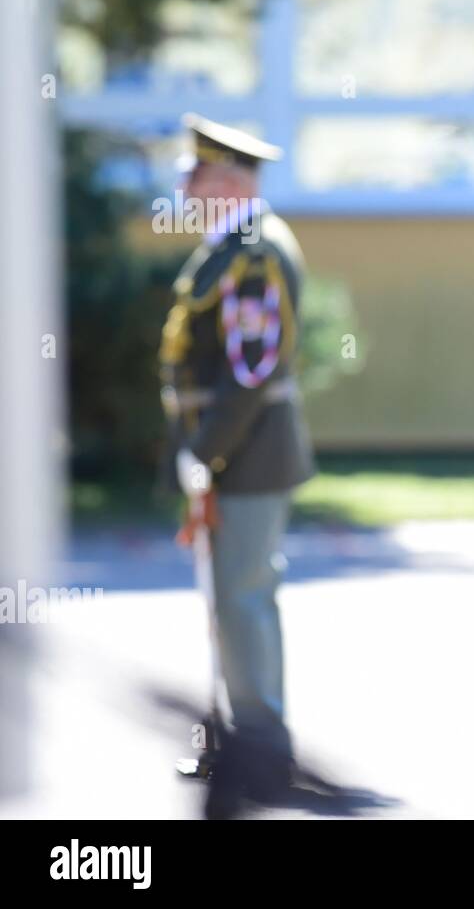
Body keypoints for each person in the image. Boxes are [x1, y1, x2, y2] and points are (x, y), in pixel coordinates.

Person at [158, 113, 315, 817]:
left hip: (245, 454)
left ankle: (264, 749)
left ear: (226, 180)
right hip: (232, 453)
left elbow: (250, 373)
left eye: (196, 174)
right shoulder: (230, 247)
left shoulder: (252, 253)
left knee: (244, 601)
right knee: (228, 601)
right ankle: (238, 741)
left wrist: (203, 451)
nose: (186, 186)